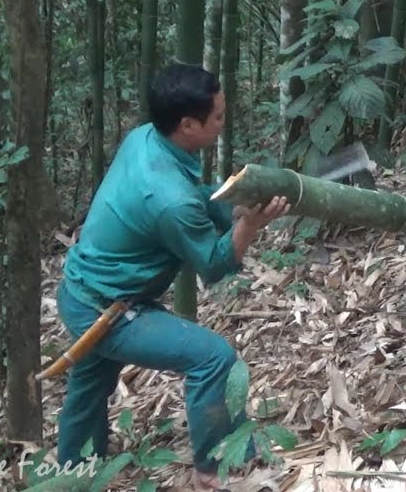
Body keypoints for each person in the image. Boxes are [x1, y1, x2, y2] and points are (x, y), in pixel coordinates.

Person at [53, 62, 290, 490]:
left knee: (89, 389)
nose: (223, 123)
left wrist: (233, 204)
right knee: (212, 358)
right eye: (216, 116)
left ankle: (70, 477)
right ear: (187, 125)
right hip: (110, 311)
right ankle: (209, 468)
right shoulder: (170, 202)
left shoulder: (144, 138)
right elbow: (215, 266)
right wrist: (248, 226)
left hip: (78, 291)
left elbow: (196, 199)